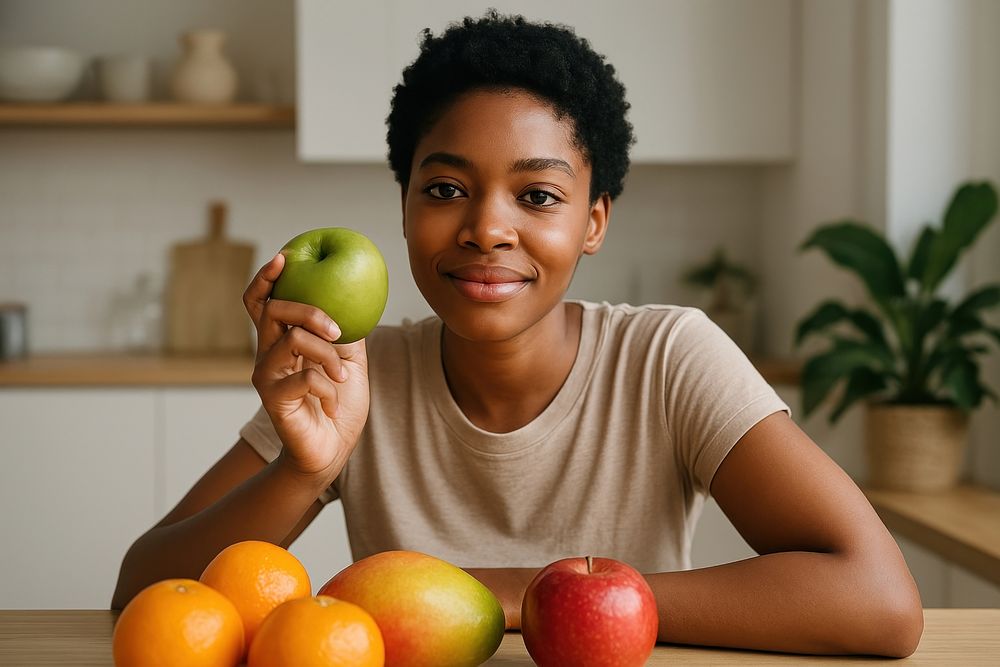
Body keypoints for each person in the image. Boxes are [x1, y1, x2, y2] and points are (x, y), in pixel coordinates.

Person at [113, 11, 923, 656]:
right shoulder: (359, 375)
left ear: (595, 221)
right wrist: (302, 466)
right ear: (404, 207)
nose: (486, 228)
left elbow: (882, 602)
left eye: (537, 196)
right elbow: (144, 596)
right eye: (445, 187)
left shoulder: (670, 358)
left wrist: (525, 591)